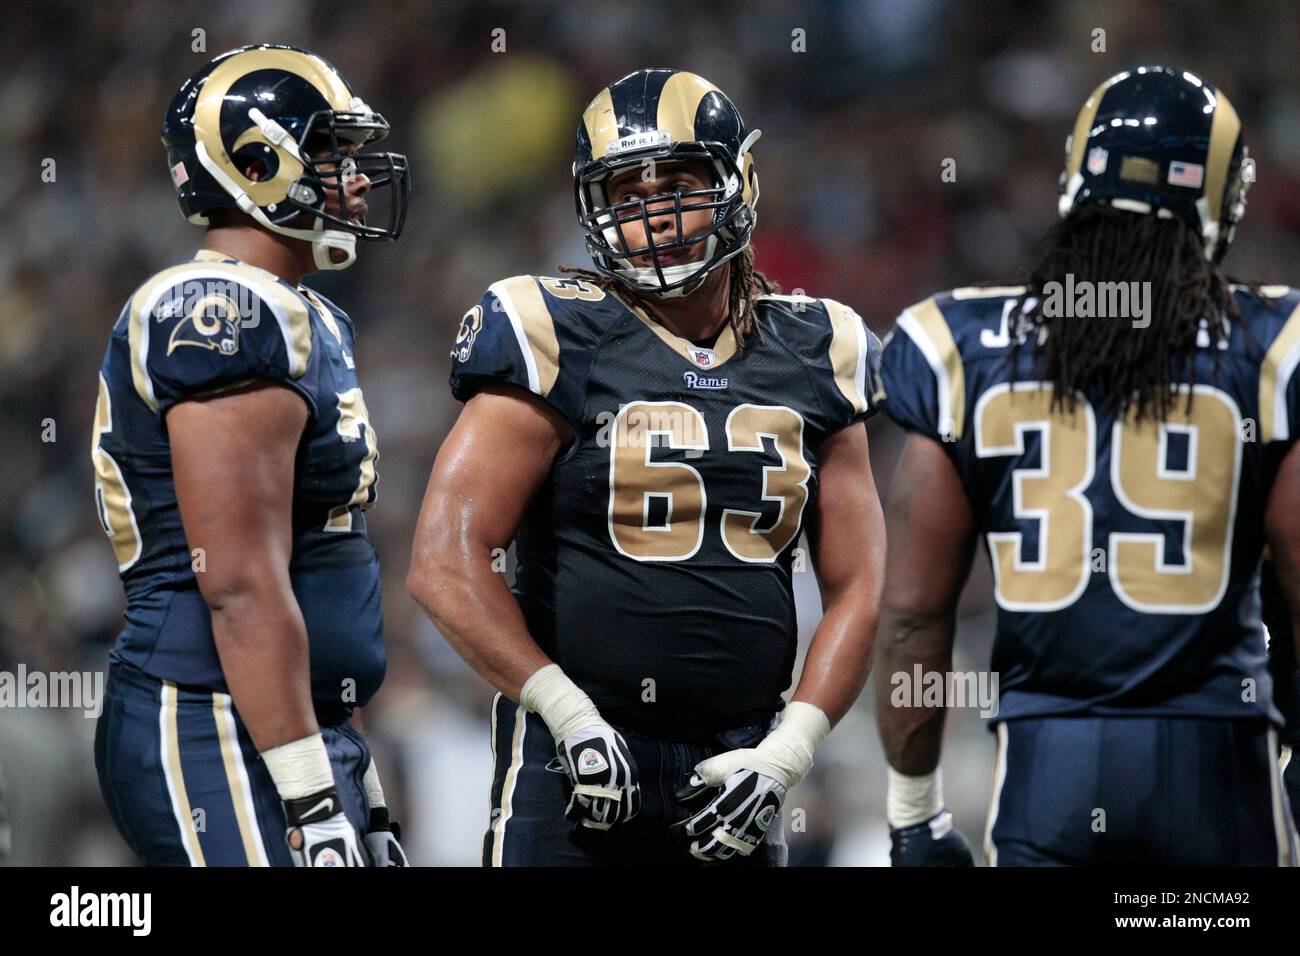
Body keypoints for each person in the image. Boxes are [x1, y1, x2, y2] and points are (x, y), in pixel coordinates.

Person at [408, 68, 885, 866]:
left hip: (736, 767)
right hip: (575, 759)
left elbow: (861, 586)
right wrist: (566, 713)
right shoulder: (556, 329)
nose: (655, 217)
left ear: (738, 184)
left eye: (680, 186)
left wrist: (788, 752)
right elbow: (443, 560)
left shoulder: (818, 346)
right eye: (626, 197)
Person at [875, 65, 1300, 866]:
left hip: (1050, 767)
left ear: (1077, 179)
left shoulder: (961, 343)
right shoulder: (1272, 344)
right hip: (1219, 762)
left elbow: (912, 615)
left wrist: (914, 812)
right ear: (1217, 200)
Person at [92, 44, 411, 867]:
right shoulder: (219, 309)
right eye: (333, 156)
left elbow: (324, 567)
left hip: (282, 722)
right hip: (210, 717)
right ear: (259, 164)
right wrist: (312, 795)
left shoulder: (305, 313)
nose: (357, 181)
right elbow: (237, 583)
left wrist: (355, 779)